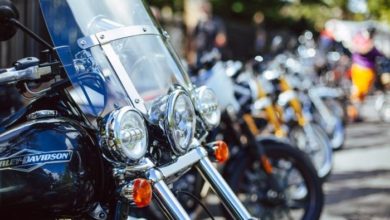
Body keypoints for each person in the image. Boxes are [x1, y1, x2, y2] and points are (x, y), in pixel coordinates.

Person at [348, 27, 383, 121]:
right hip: (360, 69)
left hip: (368, 71)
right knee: (357, 93)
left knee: (362, 95)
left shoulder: (371, 42)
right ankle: (352, 114)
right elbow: (361, 50)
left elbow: (379, 54)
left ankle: (356, 114)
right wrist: (370, 45)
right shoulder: (361, 39)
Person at [192, 1, 227, 66]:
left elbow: (222, 39)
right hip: (200, 53)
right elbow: (194, 38)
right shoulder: (200, 23)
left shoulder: (216, 21)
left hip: (211, 53)